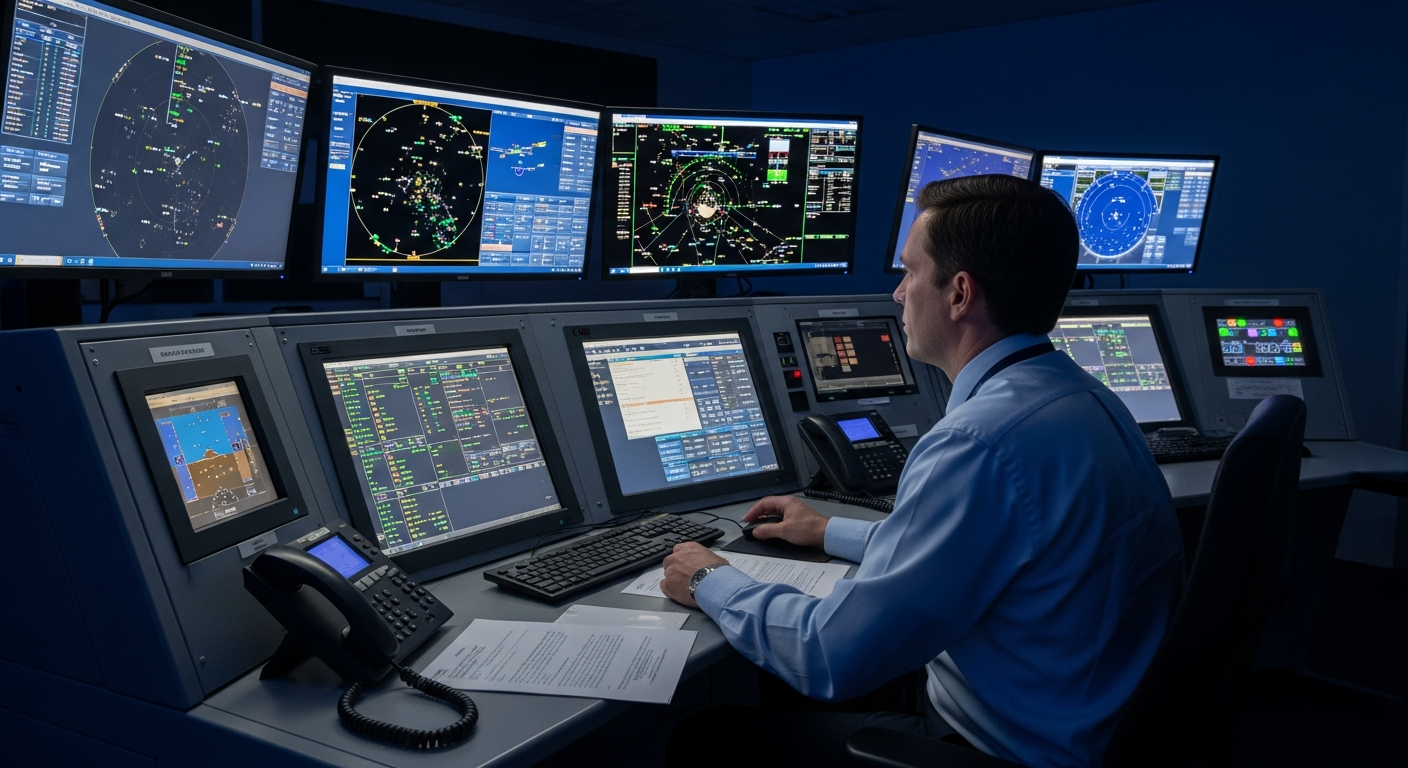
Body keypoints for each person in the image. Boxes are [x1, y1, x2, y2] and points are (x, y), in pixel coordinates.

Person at [660, 175, 1184, 768]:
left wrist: (711, 580)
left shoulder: (975, 443)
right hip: (1085, 723)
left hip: (1002, 749)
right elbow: (983, 543)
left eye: (909, 271)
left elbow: (829, 656)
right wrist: (829, 530)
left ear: (959, 294)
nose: (897, 293)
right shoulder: (1084, 398)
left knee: (703, 738)